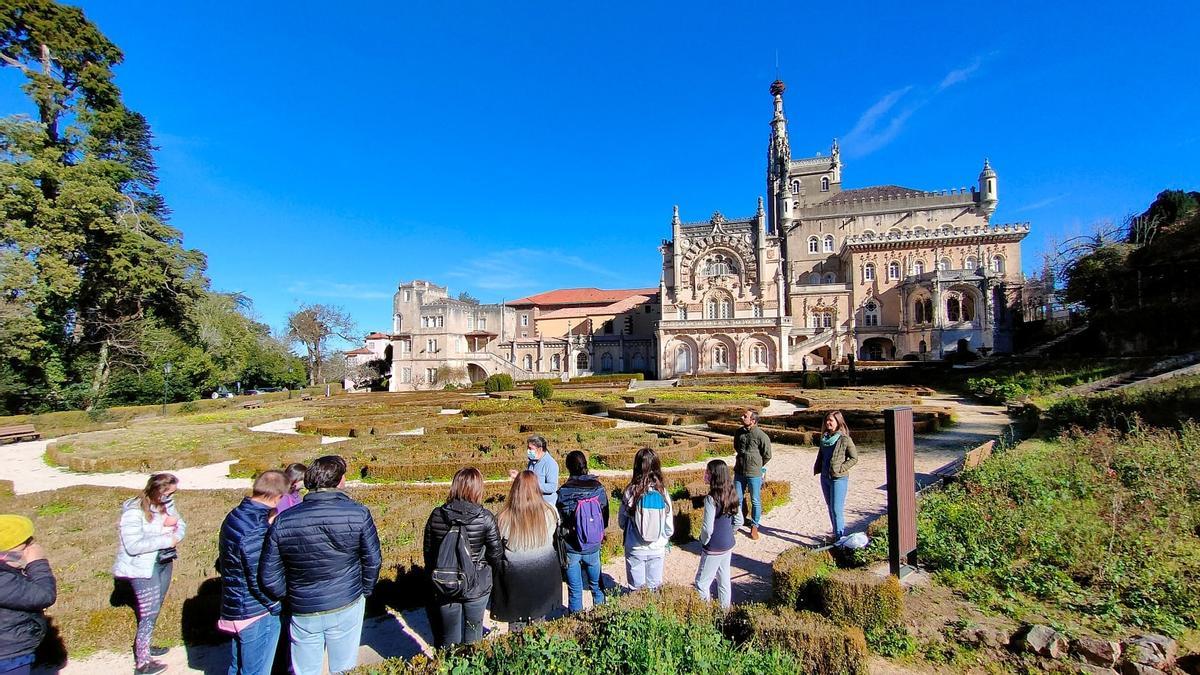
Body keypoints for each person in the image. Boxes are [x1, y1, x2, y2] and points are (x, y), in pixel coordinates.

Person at [260, 456, 381, 675]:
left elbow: (268, 573)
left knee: (305, 670)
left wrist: (289, 595)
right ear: (340, 481)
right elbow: (372, 560)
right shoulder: (357, 513)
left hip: (303, 606)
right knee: (344, 667)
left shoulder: (283, 520)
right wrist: (365, 590)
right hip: (347, 599)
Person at [421, 467, 503, 647]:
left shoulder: (437, 515)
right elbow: (496, 554)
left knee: (449, 638)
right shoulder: (485, 517)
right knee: (474, 636)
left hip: (446, 582)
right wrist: (487, 574)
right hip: (476, 584)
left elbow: (429, 552)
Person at [112, 473, 184, 675]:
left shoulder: (165, 505)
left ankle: (145, 645)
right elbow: (133, 546)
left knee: (155, 607)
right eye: (169, 493)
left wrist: (175, 533)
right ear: (158, 491)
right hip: (143, 568)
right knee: (148, 612)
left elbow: (181, 525)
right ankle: (142, 663)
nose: (171, 498)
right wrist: (166, 538)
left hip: (163, 562)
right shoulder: (134, 512)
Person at [217, 471, 288, 675]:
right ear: (278, 497)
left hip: (234, 605)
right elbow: (260, 576)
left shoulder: (235, 515)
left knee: (236, 666)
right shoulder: (256, 529)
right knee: (257, 670)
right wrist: (275, 605)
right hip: (255, 610)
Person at [491, 471, 561, 630]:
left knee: (516, 625)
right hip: (543, 572)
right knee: (539, 623)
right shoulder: (550, 511)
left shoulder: (503, 517)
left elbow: (496, 547)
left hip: (515, 577)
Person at [0, 515, 56, 675]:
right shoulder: (3, 578)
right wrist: (37, 562)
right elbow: (44, 596)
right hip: (8, 656)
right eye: (26, 542)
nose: (32, 545)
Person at [556, 451, 609, 613]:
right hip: (592, 544)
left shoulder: (564, 491)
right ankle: (602, 619)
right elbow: (604, 515)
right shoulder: (598, 488)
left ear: (568, 467)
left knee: (575, 590)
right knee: (597, 587)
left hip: (572, 545)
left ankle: (575, 625)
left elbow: (560, 518)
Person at [618, 448, 674, 591]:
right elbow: (669, 527)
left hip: (635, 547)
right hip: (657, 547)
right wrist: (662, 539)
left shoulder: (630, 491)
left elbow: (621, 522)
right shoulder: (662, 492)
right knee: (654, 588)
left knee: (636, 590)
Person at [694, 460, 743, 609]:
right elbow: (739, 520)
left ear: (714, 475)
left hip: (713, 547)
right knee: (724, 581)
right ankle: (724, 613)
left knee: (701, 583)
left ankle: (704, 617)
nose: (705, 474)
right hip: (728, 544)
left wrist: (704, 541)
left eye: (708, 472)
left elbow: (708, 528)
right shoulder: (731, 492)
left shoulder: (711, 498)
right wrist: (730, 532)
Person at [814, 411, 858, 542]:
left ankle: (840, 538)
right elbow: (821, 456)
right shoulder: (825, 438)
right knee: (830, 507)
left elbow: (854, 458)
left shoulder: (844, 439)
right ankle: (835, 534)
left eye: (831, 420)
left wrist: (840, 468)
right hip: (825, 477)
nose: (828, 423)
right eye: (827, 420)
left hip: (838, 478)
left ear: (838, 422)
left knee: (836, 509)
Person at [733, 409, 772, 540]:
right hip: (739, 471)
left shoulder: (761, 436)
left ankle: (754, 526)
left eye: (745, 416)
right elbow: (736, 447)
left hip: (754, 473)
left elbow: (767, 455)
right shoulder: (738, 433)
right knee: (737, 499)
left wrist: (757, 465)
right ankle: (737, 522)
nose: (741, 417)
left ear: (753, 421)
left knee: (755, 500)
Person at [509, 435, 559, 506]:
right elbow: (529, 478)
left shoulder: (550, 463)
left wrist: (532, 485)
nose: (528, 451)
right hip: (533, 504)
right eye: (527, 448)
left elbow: (552, 487)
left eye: (530, 448)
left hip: (546, 506)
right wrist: (519, 476)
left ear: (540, 449)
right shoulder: (531, 462)